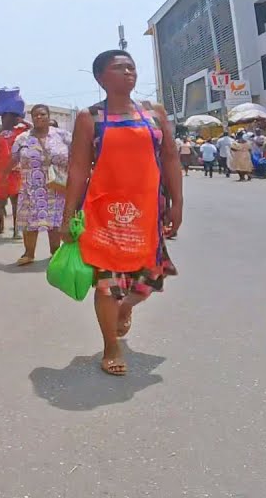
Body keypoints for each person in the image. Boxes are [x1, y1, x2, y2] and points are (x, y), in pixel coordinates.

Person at [65, 50, 181, 377]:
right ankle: (111, 346)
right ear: (101, 78)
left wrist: (177, 203)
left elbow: (171, 158)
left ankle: (125, 306)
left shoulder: (154, 113)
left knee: (149, 279)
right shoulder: (91, 118)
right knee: (107, 285)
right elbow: (77, 169)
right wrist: (68, 216)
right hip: (105, 214)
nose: (128, 72)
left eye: (131, 67)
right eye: (119, 68)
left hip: (148, 212)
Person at [11, 104, 71, 266]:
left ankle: (55, 252)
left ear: (49, 116)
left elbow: (77, 156)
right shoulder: (22, 138)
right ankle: (29, 253)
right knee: (30, 223)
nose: (39, 117)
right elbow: (12, 160)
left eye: (42, 114)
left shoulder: (63, 136)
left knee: (55, 222)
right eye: (35, 115)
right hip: (31, 188)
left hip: (57, 187)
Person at [0, 111, 29, 238]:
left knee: (16, 202)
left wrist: (22, 121)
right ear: (2, 118)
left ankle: (16, 229)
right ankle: (1, 222)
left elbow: (33, 129)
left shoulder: (20, 132)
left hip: (15, 173)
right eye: (6, 118)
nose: (8, 120)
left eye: (12, 118)